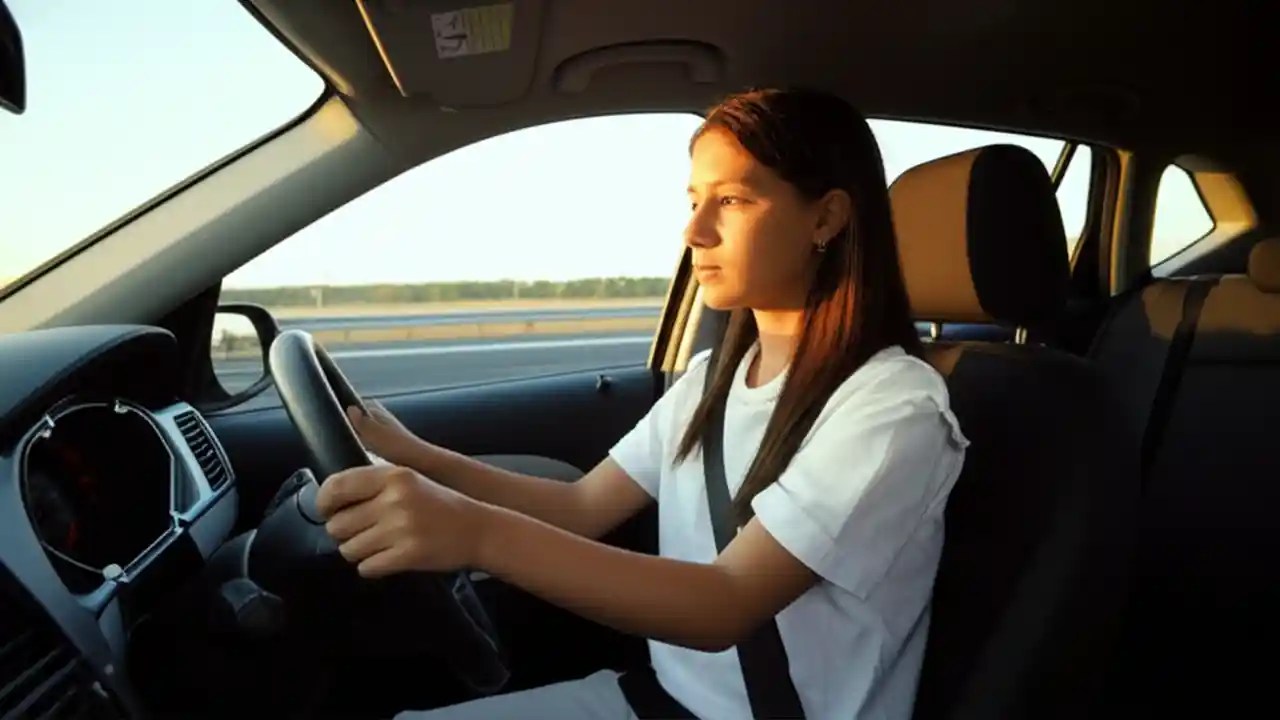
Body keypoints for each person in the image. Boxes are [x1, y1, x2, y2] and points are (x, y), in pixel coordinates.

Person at [314, 87, 969, 720]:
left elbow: (726, 604)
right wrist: (415, 456)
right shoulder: (716, 376)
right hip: (660, 698)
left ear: (824, 217)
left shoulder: (892, 409)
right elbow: (580, 507)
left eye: (733, 200)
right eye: (694, 199)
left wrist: (474, 533)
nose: (695, 230)